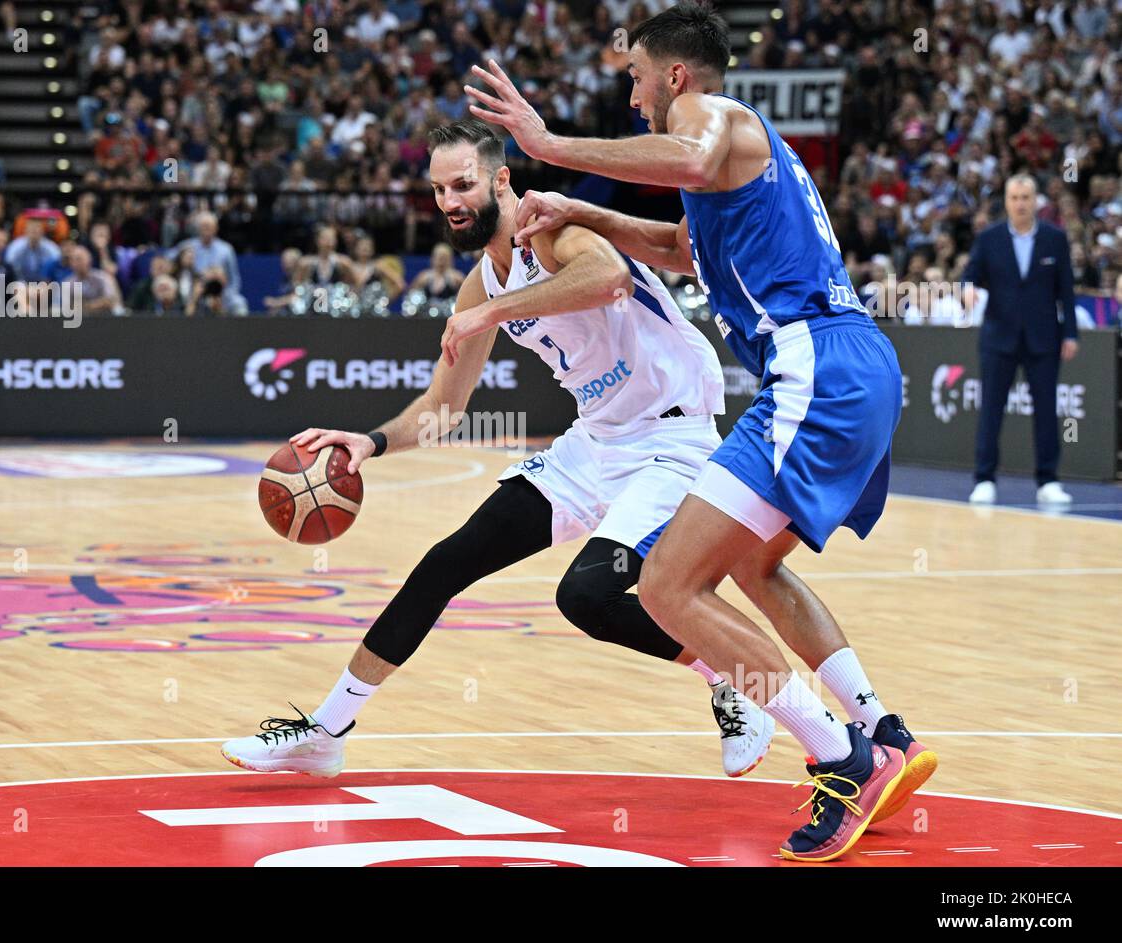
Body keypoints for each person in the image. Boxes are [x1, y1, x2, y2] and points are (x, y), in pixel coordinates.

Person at [465, 1, 933, 862]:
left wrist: (549, 146)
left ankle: (843, 760)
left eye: (638, 78)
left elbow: (689, 151)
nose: (634, 96)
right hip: (848, 367)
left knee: (666, 588)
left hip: (816, 368)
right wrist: (587, 210)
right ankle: (880, 727)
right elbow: (685, 248)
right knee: (751, 564)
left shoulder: (712, 121)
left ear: (675, 74)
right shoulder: (724, 174)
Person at [221, 119, 777, 784]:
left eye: (464, 184)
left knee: (590, 595)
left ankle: (737, 681)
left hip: (670, 437)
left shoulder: (552, 227)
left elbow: (608, 279)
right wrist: (366, 442)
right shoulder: (480, 283)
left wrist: (488, 314)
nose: (452, 200)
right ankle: (326, 732)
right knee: (445, 562)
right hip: (595, 442)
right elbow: (443, 409)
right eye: (439, 190)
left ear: (502, 180)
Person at [962, 173, 1078, 506]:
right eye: (1014, 198)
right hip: (999, 337)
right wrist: (967, 289)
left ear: (1036, 201)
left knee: (1045, 410)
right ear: (1007, 201)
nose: (1021, 204)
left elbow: (1065, 291)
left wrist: (1070, 332)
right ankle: (984, 479)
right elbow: (970, 274)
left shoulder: (1055, 239)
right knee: (991, 411)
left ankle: (1048, 481)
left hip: (1044, 339)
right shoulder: (990, 238)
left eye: (1026, 197)